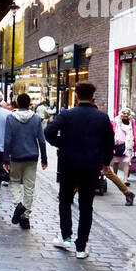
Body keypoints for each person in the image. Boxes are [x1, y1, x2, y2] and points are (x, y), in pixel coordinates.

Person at [44, 81, 116, 259]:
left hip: (68, 164)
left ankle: (66, 237)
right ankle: (81, 247)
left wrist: (61, 144)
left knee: (65, 201)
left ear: (76, 95)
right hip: (91, 166)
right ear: (93, 96)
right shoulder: (102, 117)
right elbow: (109, 143)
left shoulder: (67, 114)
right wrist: (105, 162)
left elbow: (49, 131)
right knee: (86, 206)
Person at [3, 93, 47, 229]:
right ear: (29, 104)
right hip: (32, 156)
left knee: (14, 181)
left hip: (16, 155)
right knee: (29, 187)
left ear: (17, 103)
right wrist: (44, 158)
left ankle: (18, 204)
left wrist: (5, 159)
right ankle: (25, 217)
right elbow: (41, 140)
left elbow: (7, 140)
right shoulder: (36, 119)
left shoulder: (10, 118)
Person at [107, 106, 136, 205]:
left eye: (127, 113)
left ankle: (125, 179)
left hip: (128, 144)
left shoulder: (132, 122)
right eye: (124, 113)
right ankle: (115, 177)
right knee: (116, 162)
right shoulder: (115, 121)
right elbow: (111, 132)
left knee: (126, 161)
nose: (126, 115)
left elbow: (134, 133)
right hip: (118, 144)